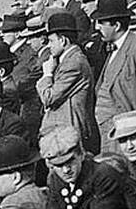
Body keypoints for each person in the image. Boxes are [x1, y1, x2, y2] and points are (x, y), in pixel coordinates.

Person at [91, 0, 136, 150]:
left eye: (101, 22)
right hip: (108, 133)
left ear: (117, 25)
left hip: (126, 135)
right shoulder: (112, 47)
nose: (97, 27)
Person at [37, 12, 96, 153]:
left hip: (69, 130)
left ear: (63, 40)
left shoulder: (73, 63)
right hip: (64, 128)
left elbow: (48, 97)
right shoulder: (67, 60)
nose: (49, 46)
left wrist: (47, 74)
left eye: (51, 41)